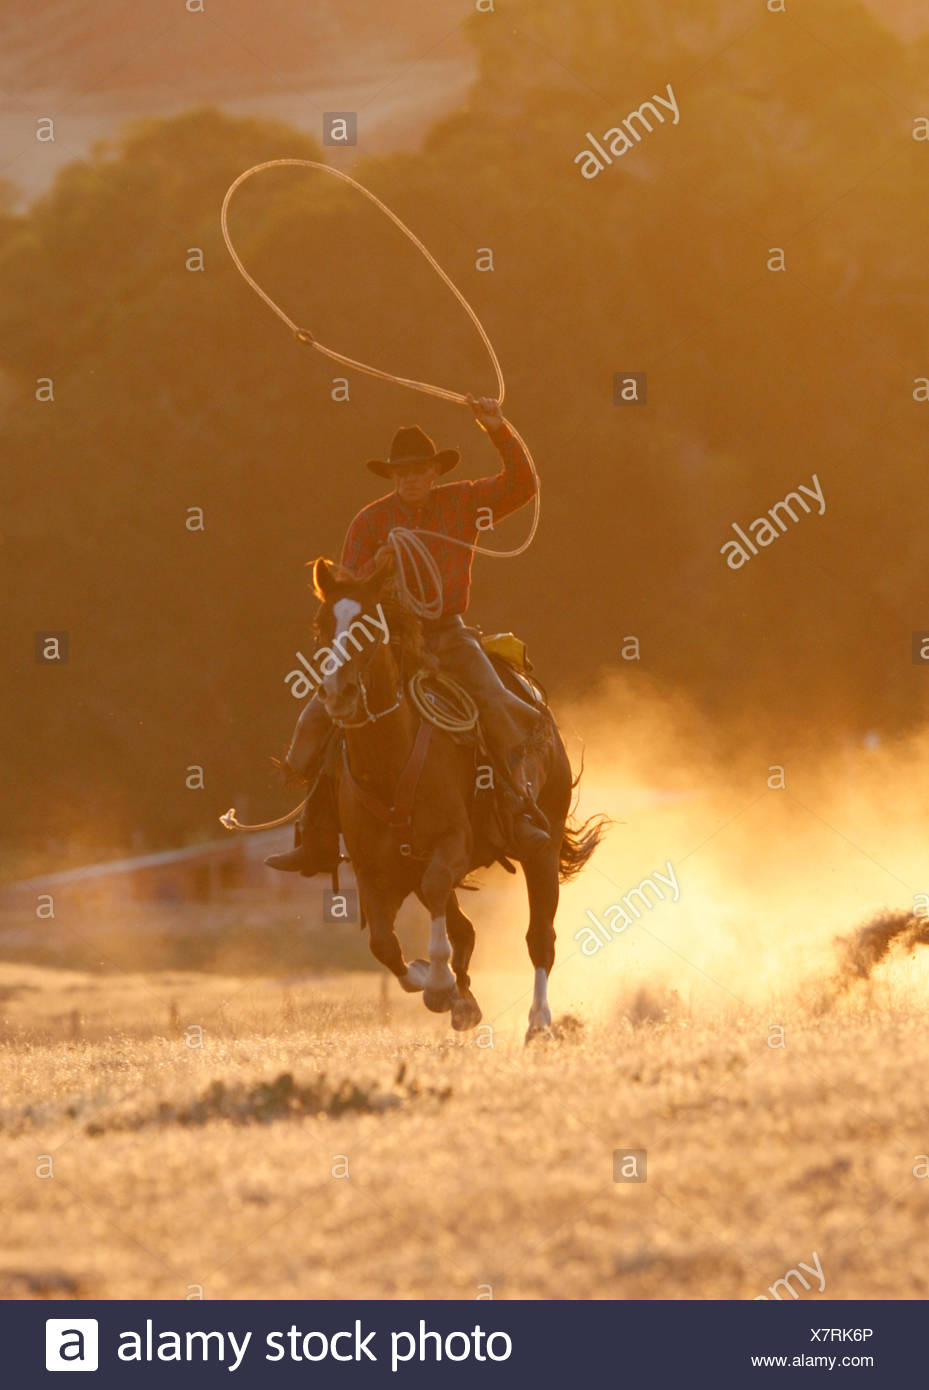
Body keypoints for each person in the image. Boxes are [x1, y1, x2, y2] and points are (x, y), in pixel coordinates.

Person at [265, 393, 551, 874]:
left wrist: (497, 429)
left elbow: (523, 486)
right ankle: (314, 834)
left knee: (495, 702)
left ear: (434, 472)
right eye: (402, 472)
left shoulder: (463, 502)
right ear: (392, 476)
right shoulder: (370, 521)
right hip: (382, 639)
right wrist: (373, 574)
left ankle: (518, 809)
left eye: (419, 470)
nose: (411, 479)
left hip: (447, 633)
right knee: (321, 716)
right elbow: (346, 596)